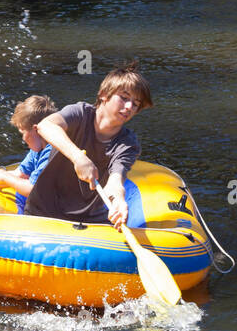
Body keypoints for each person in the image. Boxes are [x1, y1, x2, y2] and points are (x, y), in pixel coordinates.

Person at [24, 64, 152, 229]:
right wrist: (78, 157)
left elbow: (115, 180)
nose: (129, 107)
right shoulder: (79, 113)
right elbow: (45, 126)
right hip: (43, 213)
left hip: (89, 223)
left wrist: (119, 200)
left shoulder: (128, 143)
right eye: (124, 98)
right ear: (104, 95)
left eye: (135, 104)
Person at [0, 95, 57, 213]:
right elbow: (20, 174)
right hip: (37, 207)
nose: (23, 139)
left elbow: (31, 189)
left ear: (36, 130)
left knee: (23, 196)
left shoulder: (51, 152)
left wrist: (4, 176)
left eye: (23, 132)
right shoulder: (37, 150)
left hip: (51, 213)